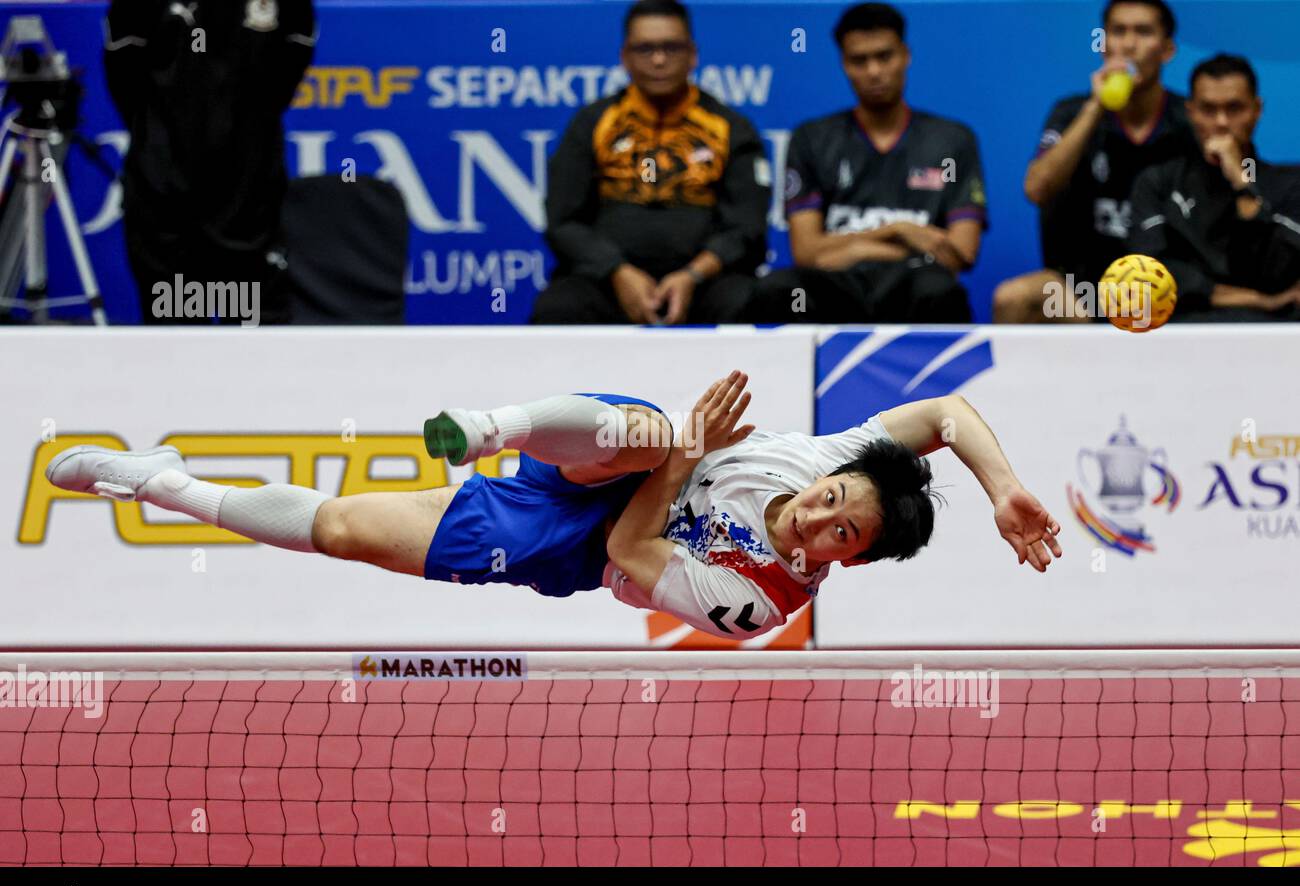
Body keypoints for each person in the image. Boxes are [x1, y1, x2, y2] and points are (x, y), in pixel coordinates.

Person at [45, 375, 1062, 640]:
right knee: (661, 430)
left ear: (844, 559)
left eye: (841, 532)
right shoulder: (832, 455)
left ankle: (158, 481)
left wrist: (694, 458)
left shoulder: (760, 602)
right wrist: (1004, 486)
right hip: (627, 445)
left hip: (585, 541)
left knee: (346, 530)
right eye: (833, 499)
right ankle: (492, 423)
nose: (817, 515)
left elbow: (630, 542)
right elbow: (945, 410)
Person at [745, 3, 987, 324]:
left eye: (884, 56)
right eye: (859, 60)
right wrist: (902, 232)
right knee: (780, 288)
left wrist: (843, 248)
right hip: (839, 285)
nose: (873, 71)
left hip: (913, 283)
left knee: (939, 288)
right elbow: (807, 253)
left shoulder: (953, 139)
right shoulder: (811, 138)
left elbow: (960, 254)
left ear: (906, 56)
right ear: (844, 64)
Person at [530, 0, 768, 326]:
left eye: (671, 47)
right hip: (607, 282)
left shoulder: (730, 128)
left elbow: (747, 227)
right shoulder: (593, 123)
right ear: (624, 58)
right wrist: (617, 271)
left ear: (693, 55)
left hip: (706, 283)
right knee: (557, 307)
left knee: (749, 301)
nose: (658, 59)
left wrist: (692, 275)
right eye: (645, 49)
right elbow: (563, 222)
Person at [103, 0, 316, 325]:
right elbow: (126, 78)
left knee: (254, 351)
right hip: (167, 208)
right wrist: (165, 139)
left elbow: (286, 72)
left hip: (249, 205)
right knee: (177, 345)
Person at [993, 0, 1194, 323]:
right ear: (1103, 44)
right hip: (1081, 296)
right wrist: (1096, 108)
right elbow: (1037, 189)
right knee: (1016, 297)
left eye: (1143, 32)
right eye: (1118, 32)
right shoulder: (1072, 113)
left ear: (1167, 49)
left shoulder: (1191, 120)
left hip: (1168, 292)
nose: (1128, 44)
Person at [1129, 54, 1300, 321]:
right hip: (1180, 332)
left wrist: (1242, 183)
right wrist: (1257, 299)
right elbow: (1148, 275)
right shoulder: (1158, 182)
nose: (1221, 122)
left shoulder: (1291, 184)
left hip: (1271, 335)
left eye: (1234, 109)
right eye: (1208, 109)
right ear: (1191, 112)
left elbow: (1278, 273)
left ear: (1257, 110)